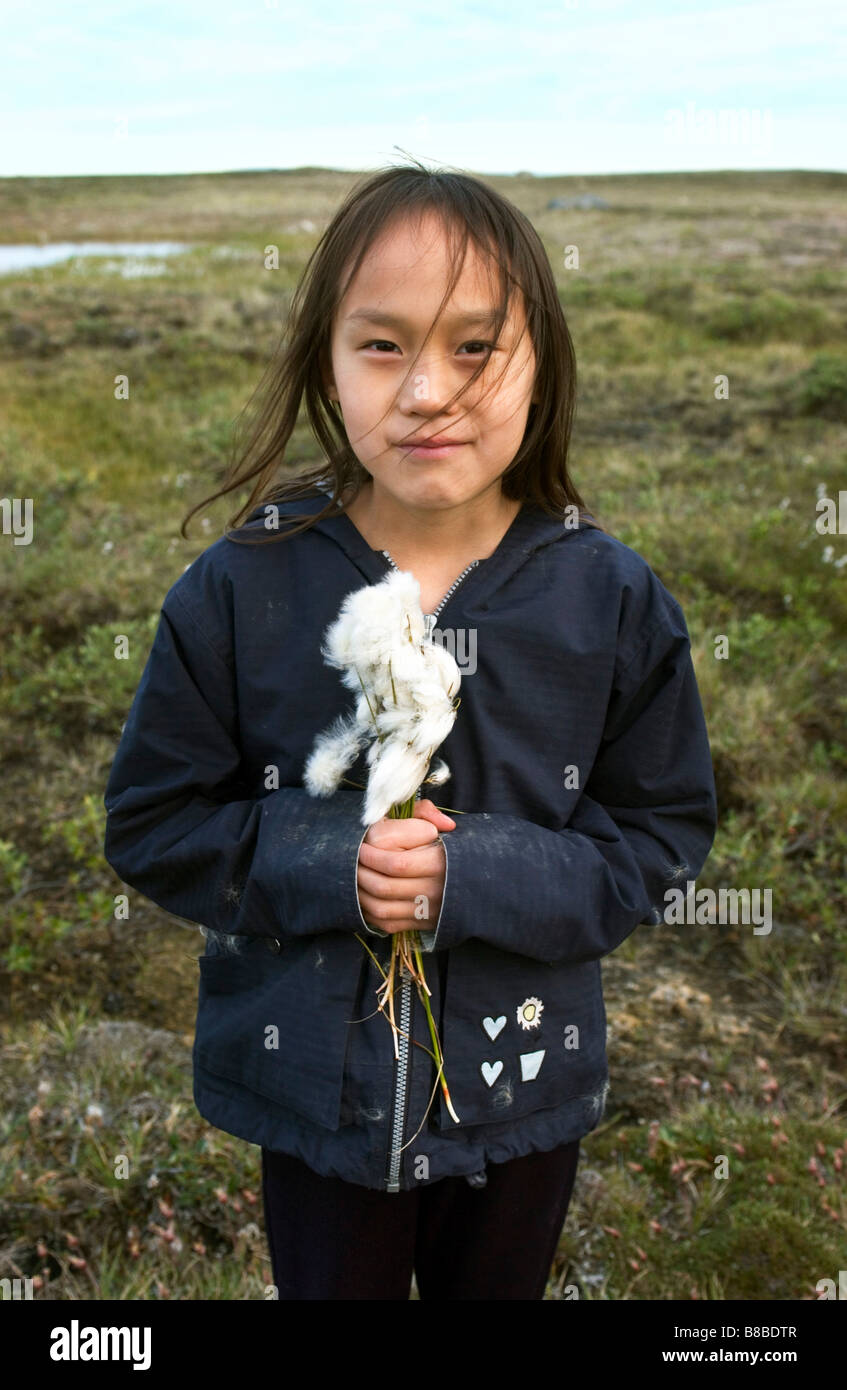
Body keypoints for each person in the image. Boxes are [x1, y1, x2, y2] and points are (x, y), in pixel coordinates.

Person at [102, 160, 718, 1301]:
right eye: (382, 345)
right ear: (327, 369)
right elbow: (153, 820)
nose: (429, 390)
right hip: (315, 1094)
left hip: (523, 1085)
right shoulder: (243, 587)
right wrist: (328, 858)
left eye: (476, 346)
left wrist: (472, 873)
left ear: (544, 363)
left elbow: (660, 832)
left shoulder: (609, 599)